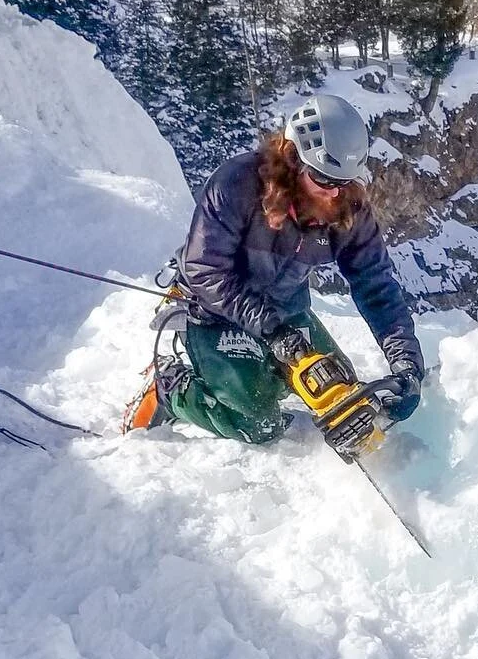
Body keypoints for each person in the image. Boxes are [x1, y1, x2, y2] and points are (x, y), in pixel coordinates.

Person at [131, 94, 424, 444]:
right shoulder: (236, 185)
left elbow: (376, 286)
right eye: (323, 179)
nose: (333, 193)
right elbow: (204, 269)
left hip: (285, 311)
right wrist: (271, 332)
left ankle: (263, 371)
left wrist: (407, 365)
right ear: (292, 158)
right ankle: (171, 387)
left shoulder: (348, 207)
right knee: (257, 423)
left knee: (343, 397)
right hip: (214, 311)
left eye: (342, 181)